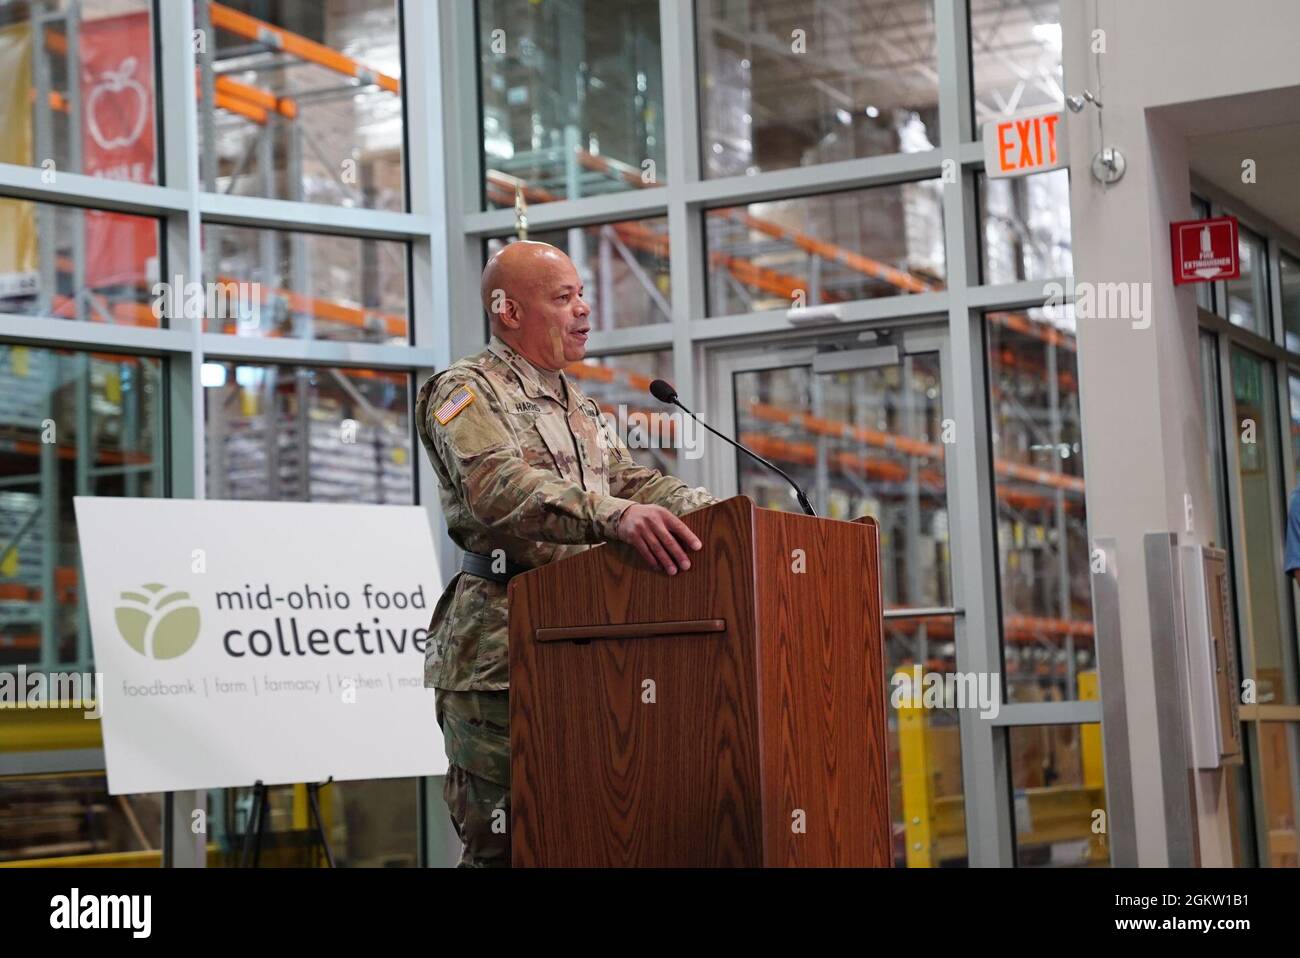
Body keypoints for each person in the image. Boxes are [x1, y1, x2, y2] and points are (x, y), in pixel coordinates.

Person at [414, 241, 717, 867]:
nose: (583, 310)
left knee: (587, 833)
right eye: (563, 297)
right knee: (508, 847)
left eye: (582, 294)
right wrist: (616, 517)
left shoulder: (579, 406)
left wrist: (722, 515)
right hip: (499, 655)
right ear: (507, 310)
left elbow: (631, 483)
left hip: (585, 646)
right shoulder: (464, 391)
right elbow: (496, 487)